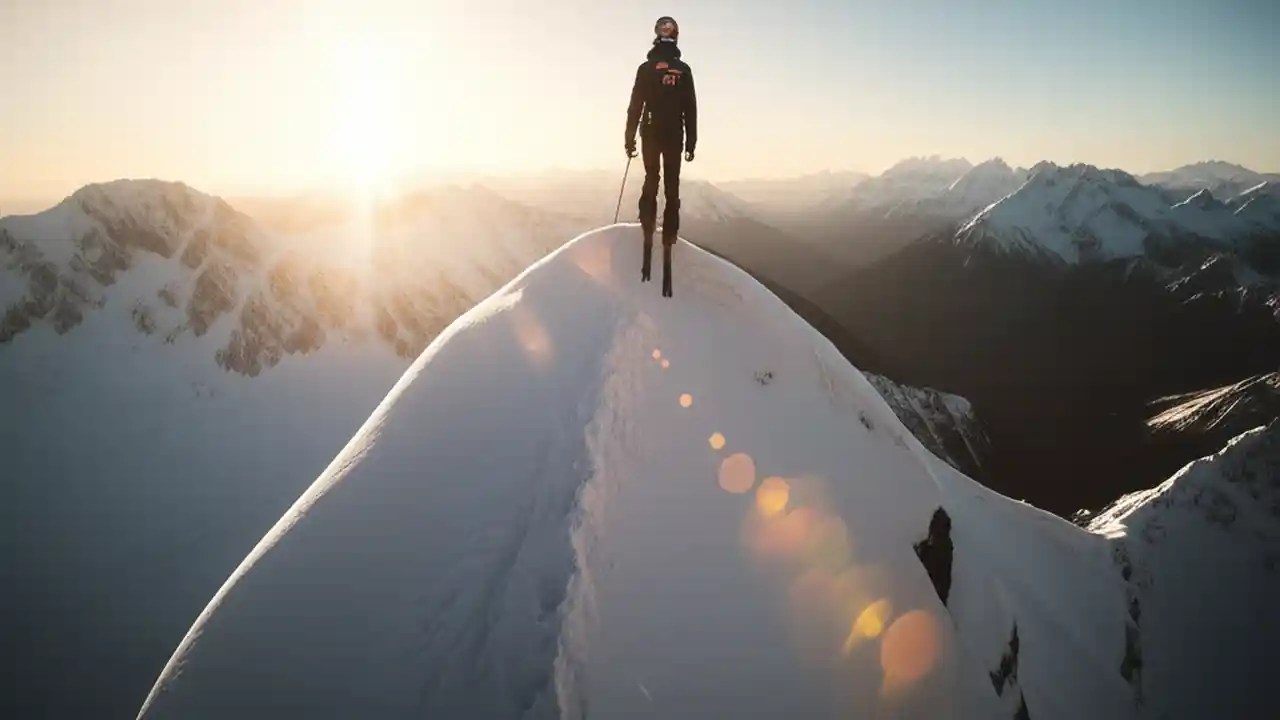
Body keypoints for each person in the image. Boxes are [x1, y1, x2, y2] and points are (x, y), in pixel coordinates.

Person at [625, 15, 697, 297]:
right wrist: (691, 140)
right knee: (672, 185)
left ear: (656, 36)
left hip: (651, 132)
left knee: (651, 177)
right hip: (673, 135)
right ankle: (669, 236)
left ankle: (647, 226)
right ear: (676, 37)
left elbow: (635, 105)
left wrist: (629, 136)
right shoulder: (684, 70)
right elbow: (690, 108)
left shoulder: (645, 69)